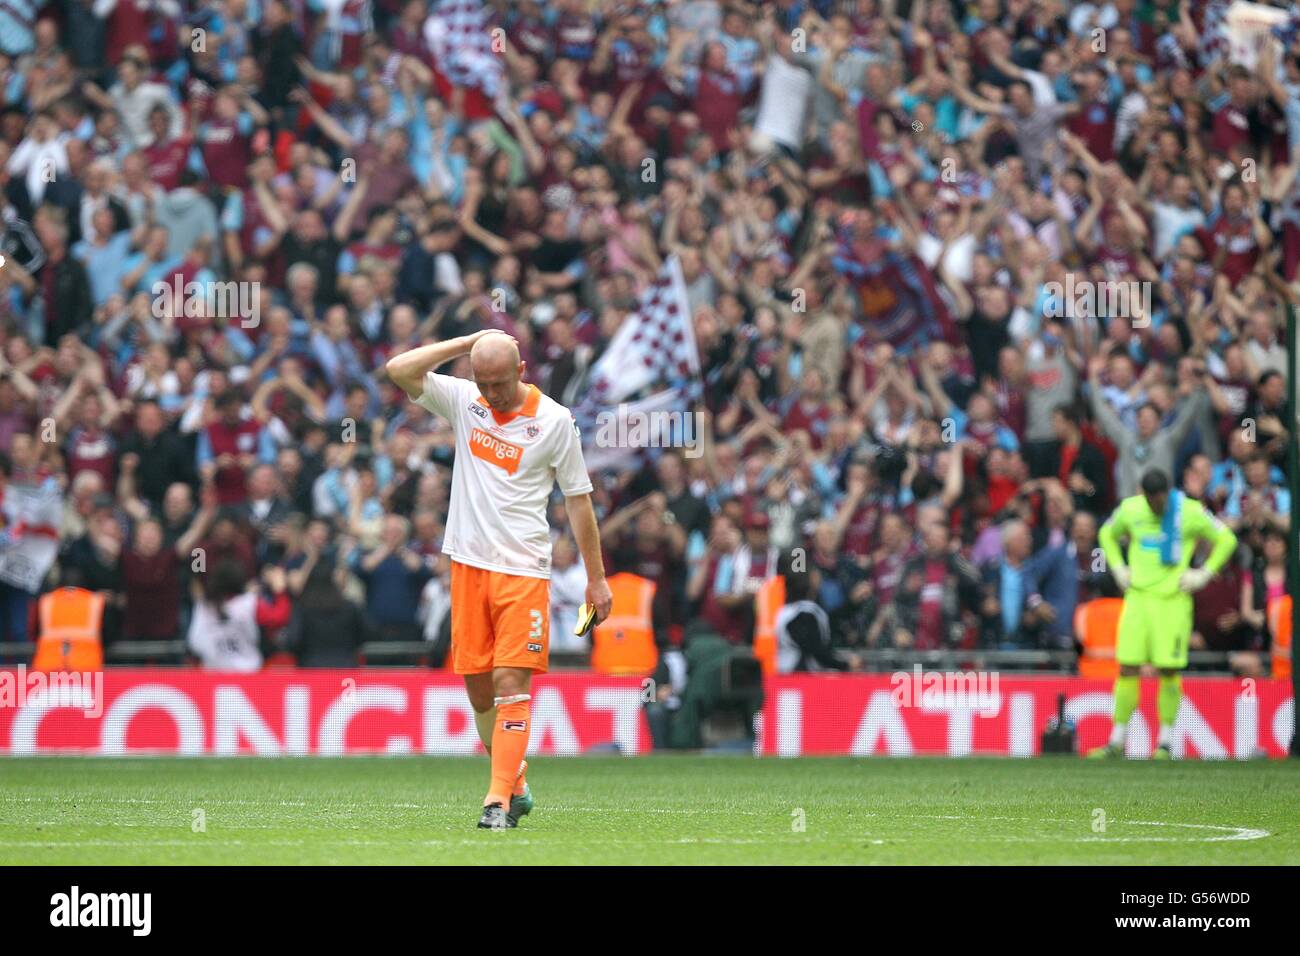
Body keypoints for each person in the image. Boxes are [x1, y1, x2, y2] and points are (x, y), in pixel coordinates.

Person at [386, 329, 612, 830]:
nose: (491, 393)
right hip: (466, 566)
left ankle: (496, 803)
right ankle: (517, 780)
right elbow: (399, 369)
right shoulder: (466, 400)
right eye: (482, 381)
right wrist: (467, 342)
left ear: (522, 371)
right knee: (480, 693)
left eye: (499, 383)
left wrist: (597, 580)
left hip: (523, 570)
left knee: (511, 683)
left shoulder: (555, 421)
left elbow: (578, 500)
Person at [1089, 470, 1237, 759]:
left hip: (1172, 601)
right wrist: (1118, 567)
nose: (1157, 506)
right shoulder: (1131, 509)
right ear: (1144, 495)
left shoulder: (1190, 512)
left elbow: (1227, 539)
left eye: (1160, 499)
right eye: (1152, 500)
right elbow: (1106, 533)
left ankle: (1165, 743)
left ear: (1168, 492)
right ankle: (1116, 741)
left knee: (1168, 669)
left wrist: (1204, 573)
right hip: (1138, 598)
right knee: (1128, 666)